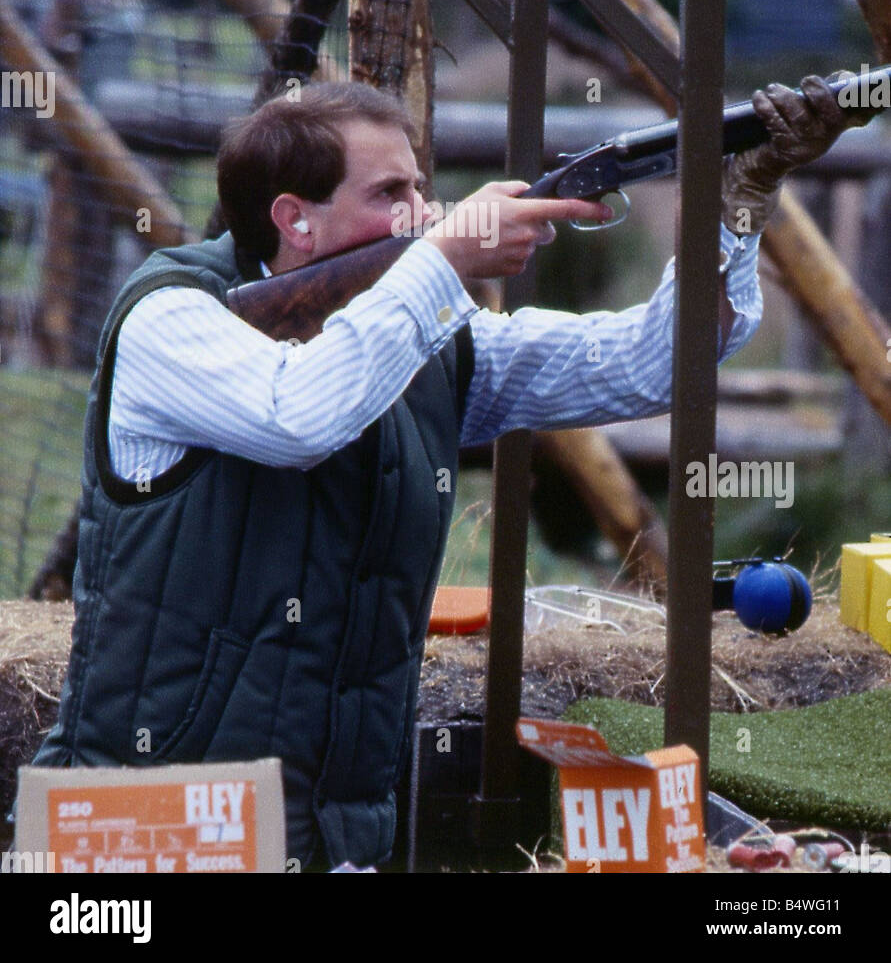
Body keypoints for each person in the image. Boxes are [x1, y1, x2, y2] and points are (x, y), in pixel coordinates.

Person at [29, 73, 870, 870]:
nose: (424, 212)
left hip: (339, 831)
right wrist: (445, 258)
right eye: (389, 194)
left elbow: (650, 364)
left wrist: (734, 211)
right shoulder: (174, 314)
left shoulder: (425, 338)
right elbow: (298, 416)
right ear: (294, 219)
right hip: (151, 820)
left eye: (420, 188)